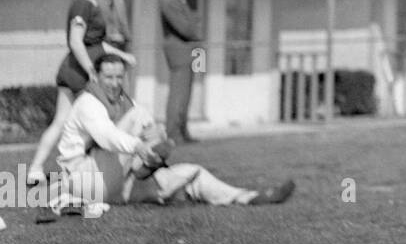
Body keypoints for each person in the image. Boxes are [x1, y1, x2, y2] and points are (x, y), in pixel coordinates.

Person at [39, 53, 293, 219]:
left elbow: (137, 125)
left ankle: (249, 197)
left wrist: (156, 135)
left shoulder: (121, 101)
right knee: (139, 118)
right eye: (108, 77)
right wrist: (142, 145)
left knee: (192, 173)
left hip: (114, 180)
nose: (115, 83)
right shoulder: (88, 102)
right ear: (96, 76)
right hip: (81, 177)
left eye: (119, 77)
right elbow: (107, 137)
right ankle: (147, 163)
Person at [26, 0, 136, 185]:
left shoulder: (91, 2)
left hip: (82, 69)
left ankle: (43, 169)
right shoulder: (83, 3)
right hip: (79, 72)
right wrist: (90, 70)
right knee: (97, 119)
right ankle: (57, 170)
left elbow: (95, 42)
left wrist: (123, 56)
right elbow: (76, 42)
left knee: (68, 121)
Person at [161, 0, 203, 143]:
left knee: (187, 93)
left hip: (191, 50)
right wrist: (196, 32)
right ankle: (173, 132)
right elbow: (184, 28)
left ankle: (183, 130)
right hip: (179, 51)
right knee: (178, 93)